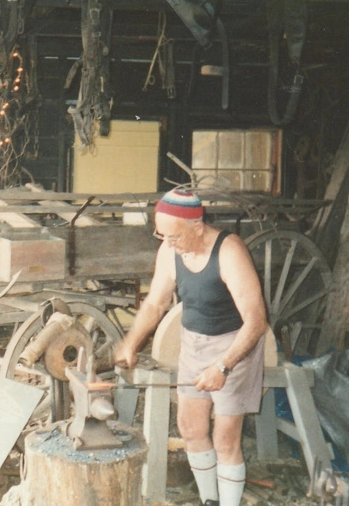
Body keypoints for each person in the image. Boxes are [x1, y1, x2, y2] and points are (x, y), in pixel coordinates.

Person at [115, 189, 268, 506]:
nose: (168, 243)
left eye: (174, 237)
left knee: (225, 439)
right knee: (190, 428)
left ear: (197, 227)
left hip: (234, 345)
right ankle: (210, 500)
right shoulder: (170, 251)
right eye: (162, 235)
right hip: (193, 343)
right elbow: (156, 303)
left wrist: (223, 367)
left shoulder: (229, 251)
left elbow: (256, 321)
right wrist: (132, 342)